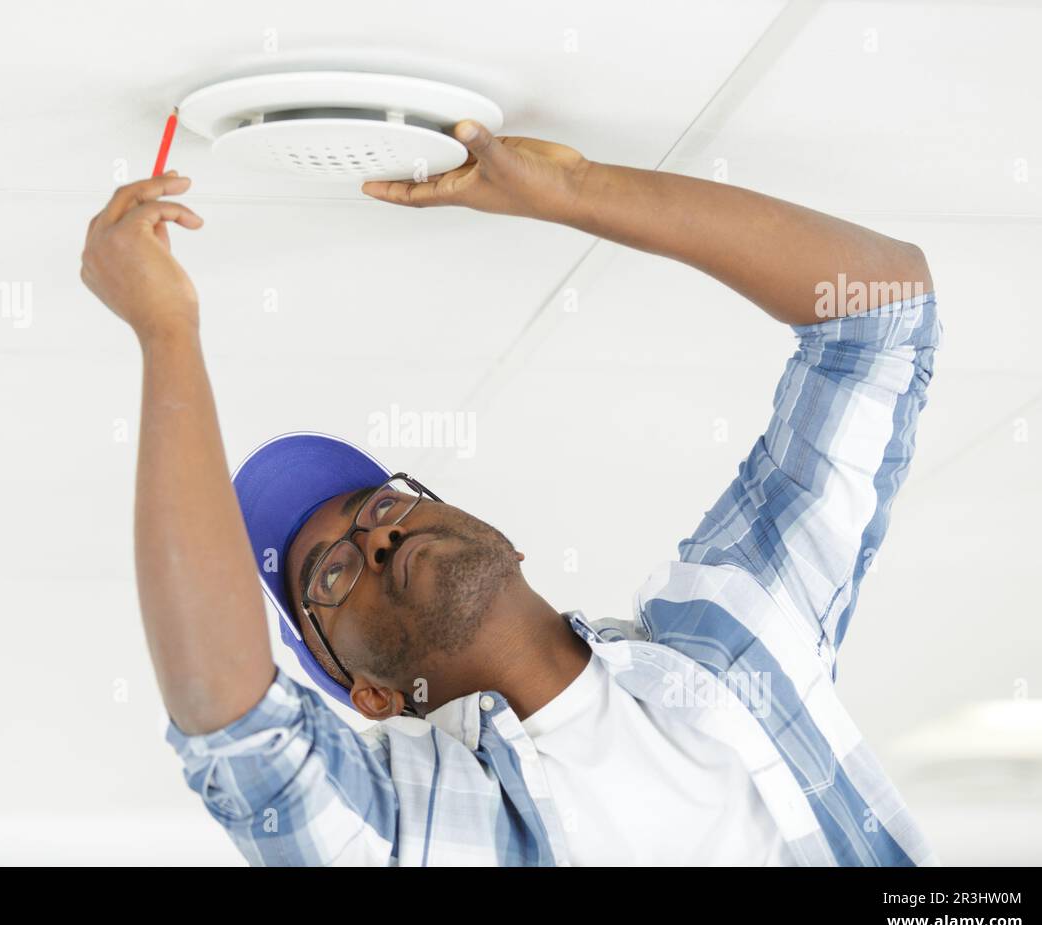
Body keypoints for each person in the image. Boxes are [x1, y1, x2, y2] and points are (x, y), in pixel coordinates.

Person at [80, 119, 941, 866]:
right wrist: (166, 330)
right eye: (330, 578)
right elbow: (238, 729)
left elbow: (879, 316)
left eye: (382, 507)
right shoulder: (436, 831)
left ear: (503, 538)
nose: (374, 540)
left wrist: (576, 190)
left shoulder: (734, 632)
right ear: (369, 697)